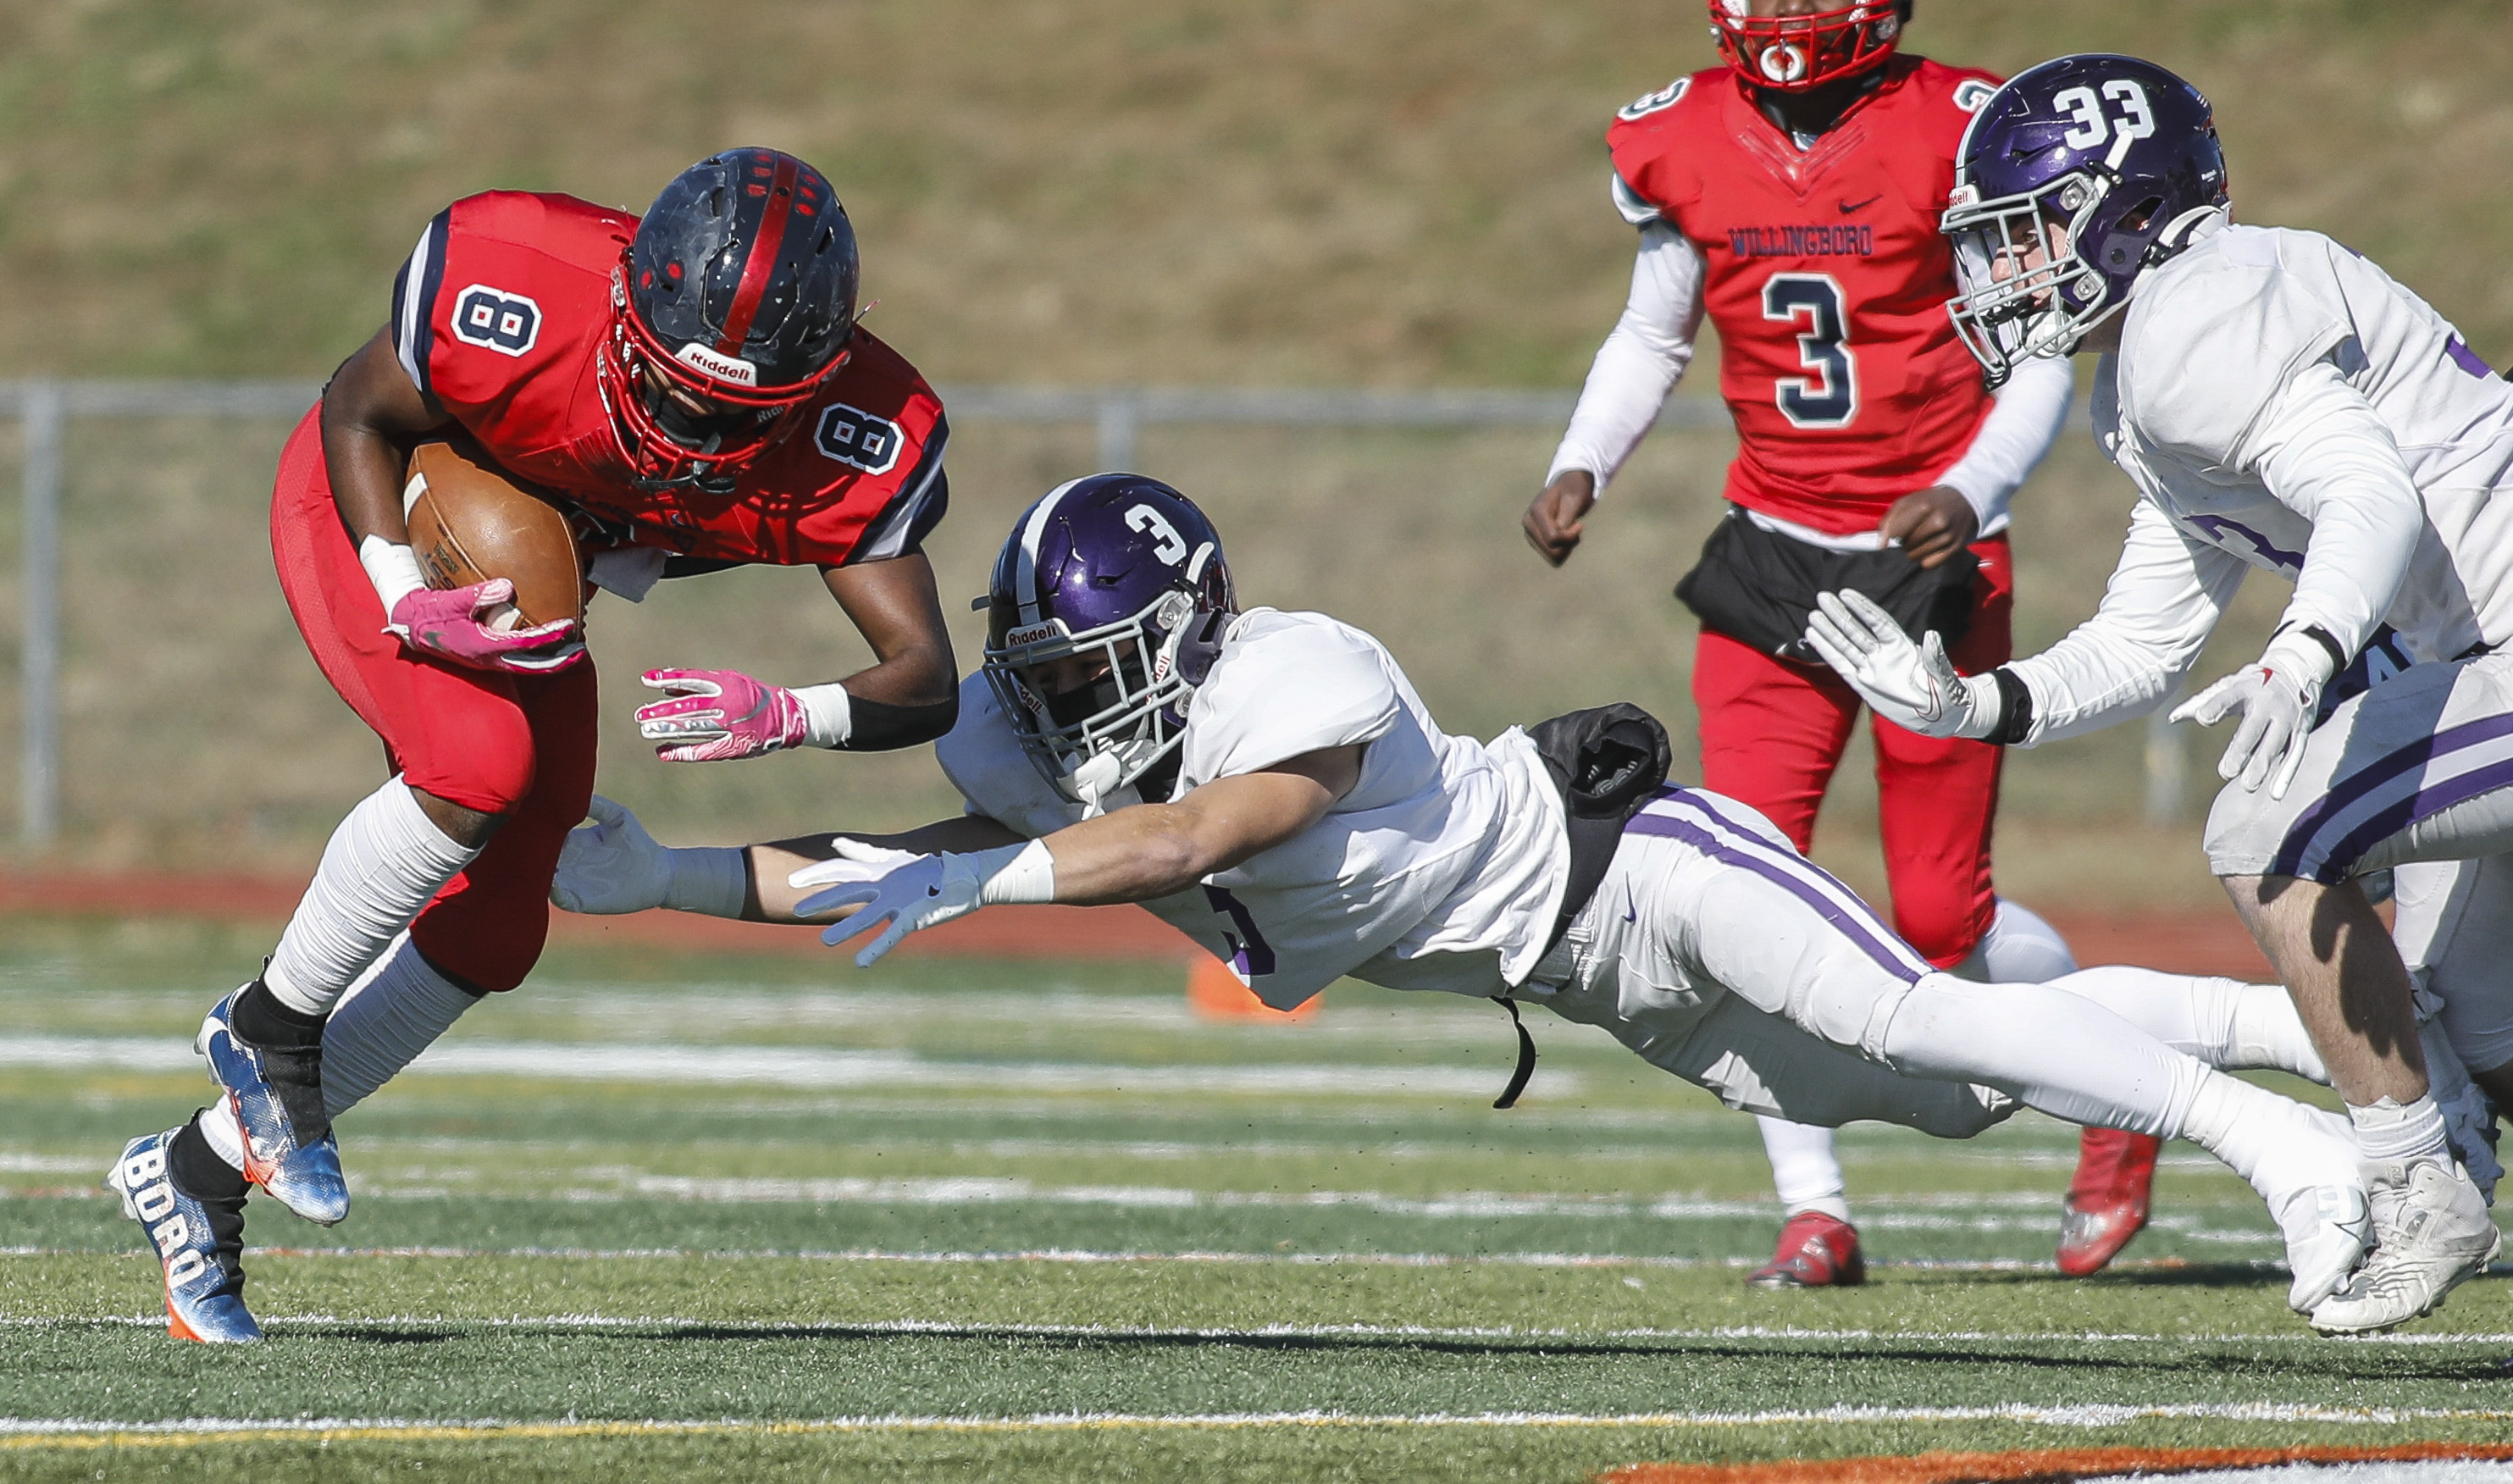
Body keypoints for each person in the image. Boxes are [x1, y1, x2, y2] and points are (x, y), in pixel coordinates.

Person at [554, 472, 2379, 1331]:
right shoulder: (1042, 747)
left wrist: (969, 881)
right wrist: (657, 881)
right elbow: (870, 865)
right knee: (1961, 1088)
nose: (1051, 698)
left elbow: (1188, 843)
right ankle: (2307, 1042)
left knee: (1911, 1007)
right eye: (1036, 666)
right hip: (1596, 989)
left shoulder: (1297, 672)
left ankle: (2288, 1152)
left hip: (1636, 870)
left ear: (1181, 631)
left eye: (1083, 659)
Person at [107, 148, 960, 1344]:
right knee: (479, 766)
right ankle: (271, 1026)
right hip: (378, 516)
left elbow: (926, 676)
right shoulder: (518, 278)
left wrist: (790, 710)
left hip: (532, 590)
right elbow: (358, 410)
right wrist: (402, 590)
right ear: (629, 305)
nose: (686, 426)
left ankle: (190, 1178)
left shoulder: (856, 429)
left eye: (733, 411)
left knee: (505, 927)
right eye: (666, 385)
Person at [1519, 0, 2149, 1289]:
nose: (1788, 14)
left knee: (1939, 916)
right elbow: (1652, 327)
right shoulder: (1675, 135)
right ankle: (1814, 1205)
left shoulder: (1969, 126)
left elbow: (2046, 349)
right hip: (1768, 560)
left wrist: (1974, 486)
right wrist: (1579, 458)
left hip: (1923, 566)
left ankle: (2123, 1101)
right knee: (1742, 891)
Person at [1803, 53, 2508, 1334]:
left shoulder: (2198, 315)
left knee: (2261, 826)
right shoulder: (2159, 362)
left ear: (2126, 209)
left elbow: (2370, 495)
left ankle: (2418, 1184)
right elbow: (2143, 639)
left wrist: (2306, 651)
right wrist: (1974, 705)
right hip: (2476, 659)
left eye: (2022, 233)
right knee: (2472, 1027)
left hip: (2502, 646)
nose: (1999, 271)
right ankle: (2443, 1154)